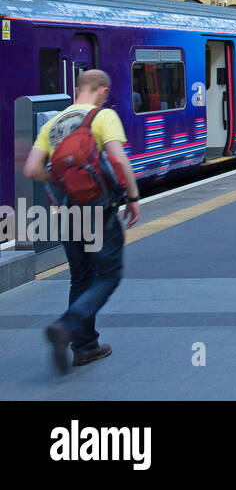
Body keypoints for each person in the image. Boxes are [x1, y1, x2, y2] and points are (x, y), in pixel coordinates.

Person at [23, 69, 140, 374]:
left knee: (81, 277)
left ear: (78, 90)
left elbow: (32, 168)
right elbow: (119, 158)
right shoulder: (102, 117)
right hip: (99, 209)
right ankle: (67, 325)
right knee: (109, 275)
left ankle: (85, 347)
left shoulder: (52, 124)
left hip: (69, 211)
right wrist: (132, 197)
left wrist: (63, 184)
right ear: (102, 90)